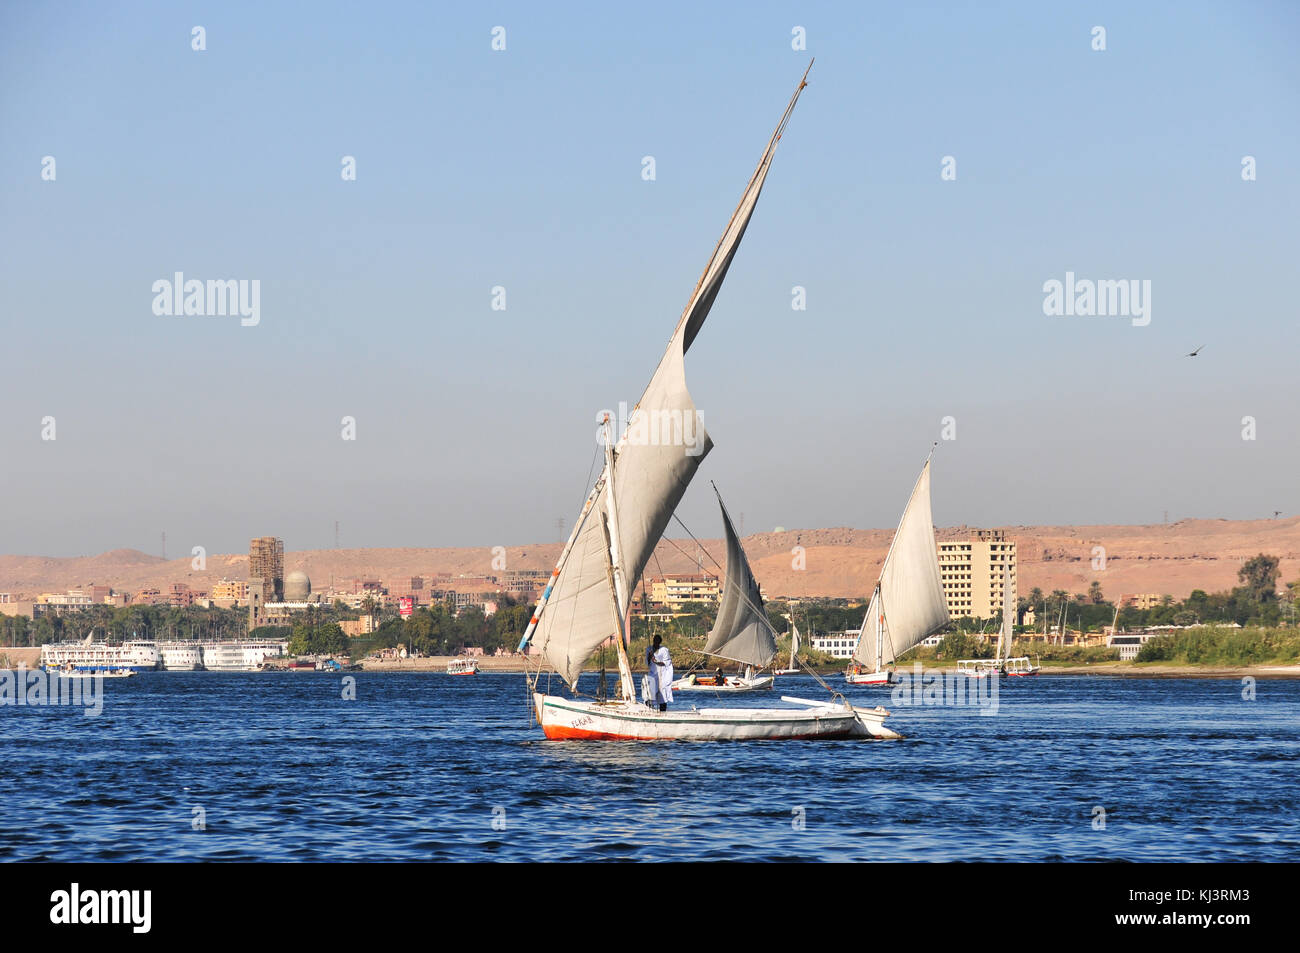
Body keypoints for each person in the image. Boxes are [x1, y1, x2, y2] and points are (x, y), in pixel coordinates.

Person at [649, 635, 673, 712]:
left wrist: (656, 661)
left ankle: (663, 711)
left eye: (657, 641)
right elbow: (647, 662)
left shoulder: (664, 650)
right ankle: (650, 710)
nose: (655, 642)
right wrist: (649, 657)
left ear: (659, 642)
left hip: (662, 674)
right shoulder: (649, 649)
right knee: (650, 692)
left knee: (662, 693)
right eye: (654, 640)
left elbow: (666, 662)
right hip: (653, 673)